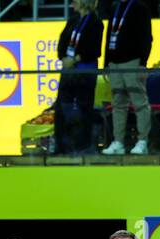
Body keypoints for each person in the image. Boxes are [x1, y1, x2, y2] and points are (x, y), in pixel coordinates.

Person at [100, 0, 153, 156]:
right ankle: (118, 142)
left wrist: (143, 63)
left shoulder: (140, 7)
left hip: (132, 61)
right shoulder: (115, 7)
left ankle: (143, 141)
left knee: (139, 102)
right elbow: (109, 36)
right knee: (118, 104)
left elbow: (146, 37)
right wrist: (106, 63)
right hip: (115, 63)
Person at [55, 0, 103, 156]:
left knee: (84, 108)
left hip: (84, 71)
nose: (71, 4)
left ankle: (83, 146)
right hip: (68, 71)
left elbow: (94, 49)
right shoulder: (73, 19)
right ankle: (62, 146)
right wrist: (63, 58)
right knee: (62, 107)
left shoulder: (95, 22)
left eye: (74, 1)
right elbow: (62, 41)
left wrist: (74, 59)